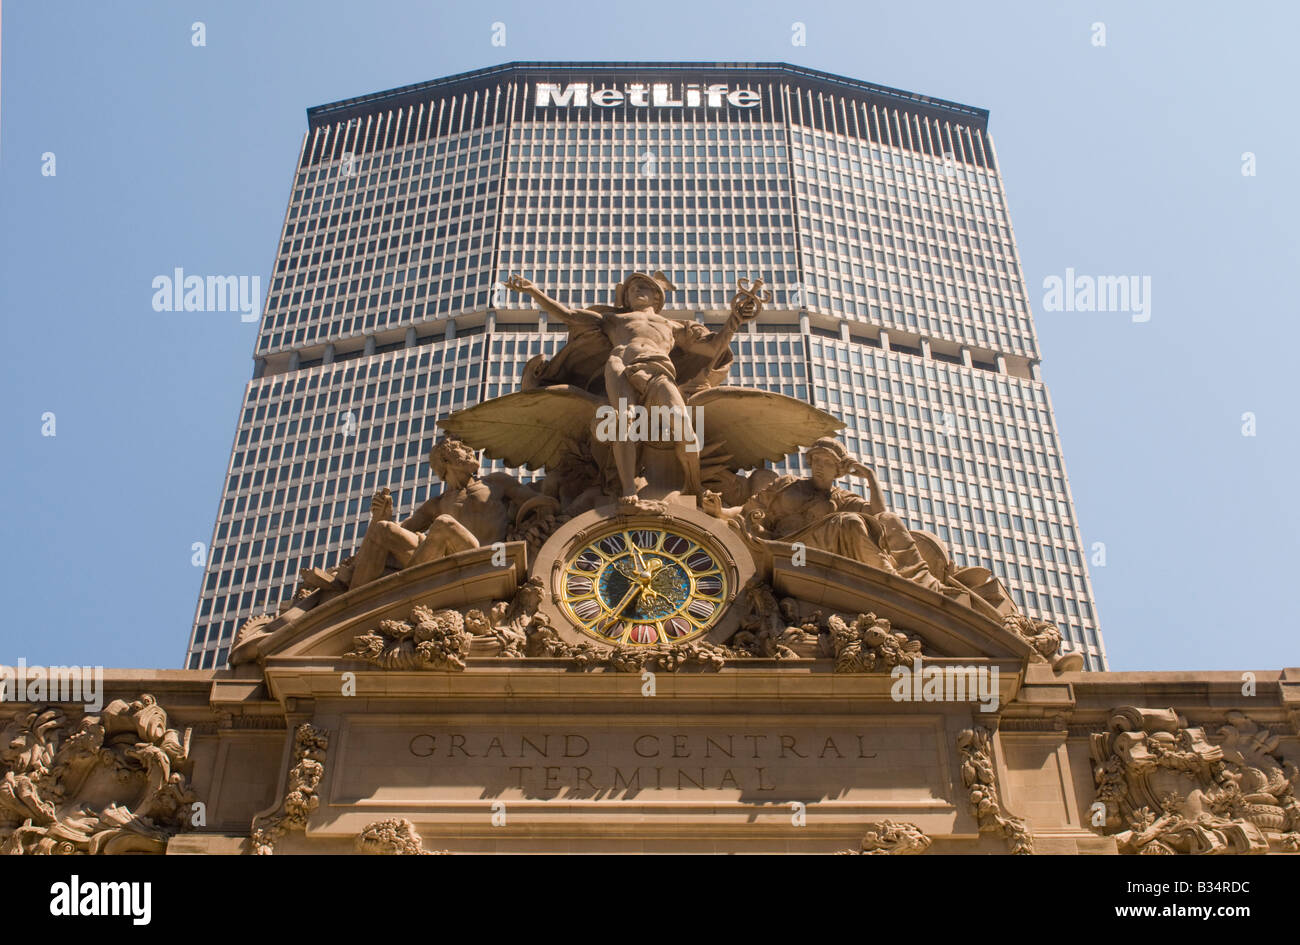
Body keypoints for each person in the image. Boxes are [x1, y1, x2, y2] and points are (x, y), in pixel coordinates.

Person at [347, 437, 557, 589]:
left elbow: (536, 501)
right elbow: (400, 531)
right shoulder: (438, 503)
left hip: (489, 558)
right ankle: (353, 600)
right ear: (445, 460)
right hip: (447, 564)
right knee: (383, 528)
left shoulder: (495, 483)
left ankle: (407, 587)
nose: (470, 451)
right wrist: (380, 516)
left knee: (444, 524)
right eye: (462, 449)